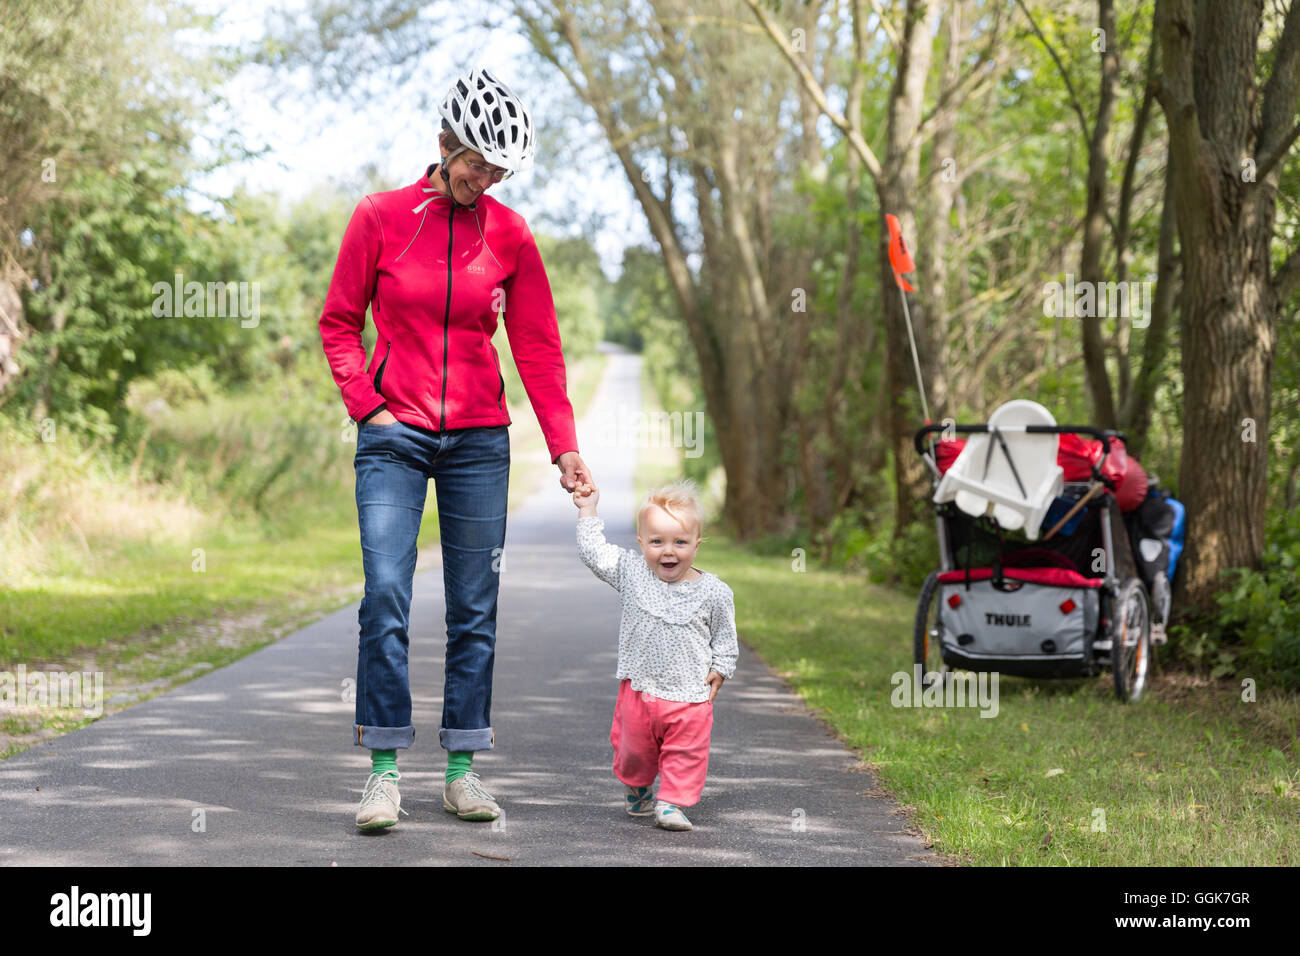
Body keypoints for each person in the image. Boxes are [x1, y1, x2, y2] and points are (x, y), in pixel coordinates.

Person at [319, 67, 595, 830]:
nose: (487, 178)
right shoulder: (379, 216)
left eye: (499, 169)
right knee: (386, 595)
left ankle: (462, 770)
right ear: (446, 145)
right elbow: (338, 321)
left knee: (474, 606)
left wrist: (564, 444)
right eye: (478, 162)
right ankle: (382, 772)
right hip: (393, 437)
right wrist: (367, 406)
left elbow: (537, 346)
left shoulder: (509, 235)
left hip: (478, 442)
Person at [573, 478, 738, 831]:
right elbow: (595, 553)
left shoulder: (714, 592)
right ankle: (639, 787)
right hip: (640, 691)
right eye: (657, 541)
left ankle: (672, 803)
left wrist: (721, 668)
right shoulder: (632, 573)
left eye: (680, 542)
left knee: (686, 755)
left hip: (690, 697)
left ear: (697, 544)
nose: (668, 551)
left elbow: (725, 636)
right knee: (634, 753)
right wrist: (588, 510)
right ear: (641, 543)